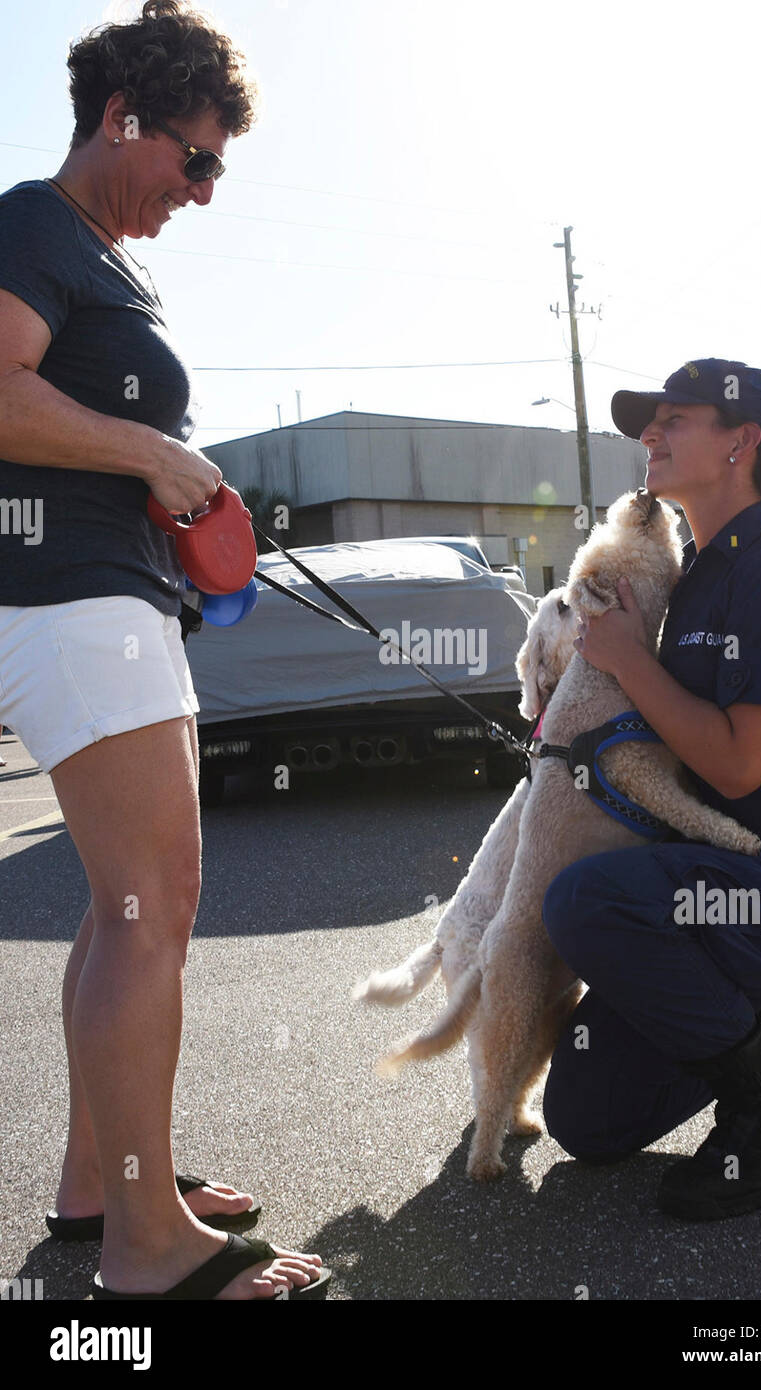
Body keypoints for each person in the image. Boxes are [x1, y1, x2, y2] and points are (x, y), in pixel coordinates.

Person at [0, 1, 328, 1296]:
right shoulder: (34, 218)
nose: (201, 191)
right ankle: (147, 1251)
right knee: (155, 908)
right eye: (193, 159)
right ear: (121, 115)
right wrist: (158, 453)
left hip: (114, 594)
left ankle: (106, 1185)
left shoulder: (100, 256)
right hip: (72, 603)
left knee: (124, 910)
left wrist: (166, 486)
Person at [541, 358, 761, 1220]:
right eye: (647, 422)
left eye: (672, 419)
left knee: (588, 904)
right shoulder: (691, 577)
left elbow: (734, 767)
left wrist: (623, 659)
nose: (648, 434)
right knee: (589, 1122)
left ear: (741, 441)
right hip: (721, 882)